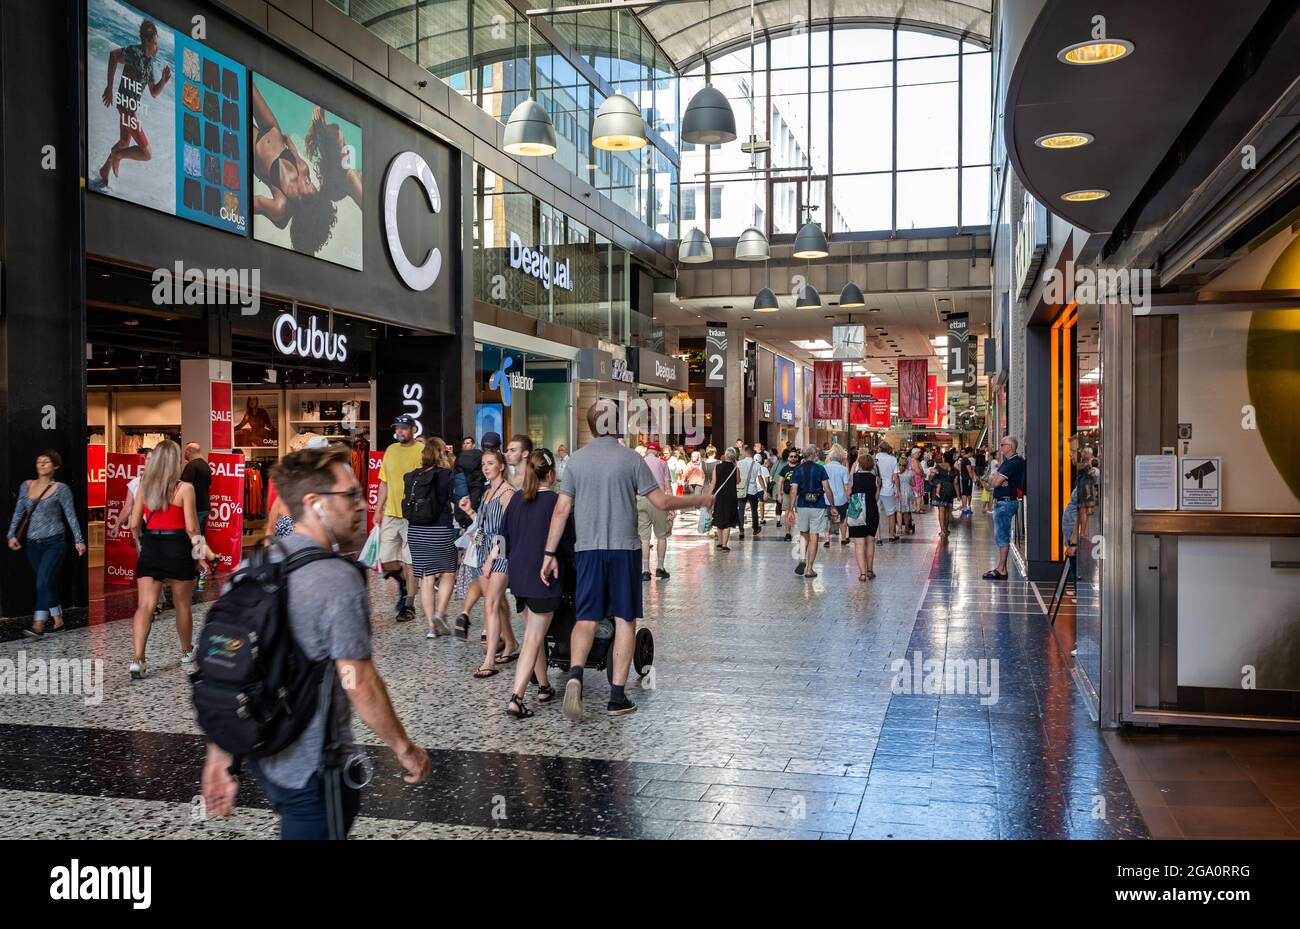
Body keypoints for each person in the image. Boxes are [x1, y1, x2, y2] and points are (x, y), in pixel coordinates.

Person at [200, 445, 432, 840]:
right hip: (315, 769)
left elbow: (232, 667)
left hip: (266, 759)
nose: (361, 505)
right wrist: (404, 747)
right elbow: (357, 679)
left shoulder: (251, 567)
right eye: (350, 495)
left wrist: (220, 756)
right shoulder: (336, 578)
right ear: (314, 503)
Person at [541, 400, 710, 721]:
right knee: (623, 621)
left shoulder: (576, 462)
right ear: (616, 424)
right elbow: (660, 501)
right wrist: (699, 499)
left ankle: (575, 674)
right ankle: (616, 698)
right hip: (624, 551)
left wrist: (549, 554)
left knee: (586, 618)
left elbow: (561, 511)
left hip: (587, 550)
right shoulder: (631, 459)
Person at [128, 439, 213, 680]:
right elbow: (192, 528)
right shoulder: (185, 488)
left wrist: (141, 545)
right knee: (183, 604)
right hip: (178, 547)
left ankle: (138, 659)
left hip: (152, 547)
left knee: (145, 606)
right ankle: (186, 652)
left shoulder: (144, 486)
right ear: (176, 462)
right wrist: (201, 556)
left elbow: (134, 525)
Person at [499, 449, 574, 719]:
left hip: (518, 575)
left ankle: (543, 686)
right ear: (552, 474)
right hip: (544, 576)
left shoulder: (517, 500)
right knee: (533, 637)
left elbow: (504, 536)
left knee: (534, 632)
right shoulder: (557, 502)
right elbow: (567, 542)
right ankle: (516, 697)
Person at [252, 81, 363, 257]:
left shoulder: (281, 205)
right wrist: (293, 147)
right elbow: (296, 154)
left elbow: (252, 203)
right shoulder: (304, 172)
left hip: (254, 146)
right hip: (272, 127)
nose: (308, 179)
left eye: (309, 186)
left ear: (304, 205)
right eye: (311, 183)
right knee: (246, 84)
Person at [7, 450, 86, 639]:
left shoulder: (61, 489)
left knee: (42, 580)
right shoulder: (26, 486)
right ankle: (58, 620)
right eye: (39, 461)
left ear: (55, 466)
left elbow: (70, 515)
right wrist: (11, 534)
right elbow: (19, 512)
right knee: (47, 582)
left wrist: (79, 540)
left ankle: (39, 624)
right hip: (32, 544)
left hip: (55, 542)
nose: (41, 464)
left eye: (46, 461)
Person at [456, 448, 520, 676]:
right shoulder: (487, 493)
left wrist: (492, 558)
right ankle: (511, 644)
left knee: (491, 604)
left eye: (490, 463)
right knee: (498, 603)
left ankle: (489, 660)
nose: (485, 467)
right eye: (484, 463)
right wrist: (470, 512)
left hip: (500, 555)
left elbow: (507, 532)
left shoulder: (507, 494)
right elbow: (483, 528)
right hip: (485, 553)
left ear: (501, 466)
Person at [93, 19, 172, 191]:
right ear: (147, 41)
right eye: (156, 43)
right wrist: (109, 87)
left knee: (123, 141)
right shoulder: (134, 52)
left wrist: (163, 82)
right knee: (147, 153)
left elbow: (153, 92)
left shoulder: (149, 63)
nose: (157, 47)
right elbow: (113, 56)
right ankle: (117, 156)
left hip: (130, 108)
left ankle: (105, 169)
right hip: (126, 108)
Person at [403, 437, 457, 639]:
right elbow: (455, 500)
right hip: (440, 530)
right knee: (448, 572)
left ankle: (431, 628)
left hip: (416, 531)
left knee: (426, 577)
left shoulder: (412, 476)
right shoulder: (446, 475)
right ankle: (440, 613)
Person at [373, 414, 425, 622]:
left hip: (413, 516)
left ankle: (409, 604)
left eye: (404, 427)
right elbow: (384, 482)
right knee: (386, 560)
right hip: (391, 514)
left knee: (410, 562)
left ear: (413, 429)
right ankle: (404, 585)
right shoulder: (391, 451)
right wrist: (378, 508)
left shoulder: (422, 451)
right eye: (398, 428)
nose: (400, 431)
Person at [786, 446, 837, 579]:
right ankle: (809, 569)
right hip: (818, 505)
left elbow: (793, 490)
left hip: (802, 505)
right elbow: (827, 489)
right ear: (814, 455)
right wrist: (832, 505)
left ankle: (802, 558)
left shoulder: (798, 469)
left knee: (803, 533)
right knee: (814, 535)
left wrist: (790, 509)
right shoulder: (820, 469)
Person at [984, 436, 1026, 580]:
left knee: (1002, 536)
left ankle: (1001, 569)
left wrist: (997, 479)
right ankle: (1001, 567)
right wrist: (997, 478)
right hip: (1007, 502)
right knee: (1002, 535)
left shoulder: (1011, 463)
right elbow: (993, 480)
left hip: (1005, 503)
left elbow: (994, 483)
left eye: (1003, 444)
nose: (1000, 447)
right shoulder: (1013, 462)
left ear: (1011, 447)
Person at [637, 441, 674, 581]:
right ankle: (660, 568)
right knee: (661, 536)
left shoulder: (639, 463)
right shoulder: (663, 463)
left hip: (641, 499)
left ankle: (645, 570)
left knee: (644, 538)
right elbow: (667, 486)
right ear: (658, 452)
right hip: (658, 500)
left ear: (647, 451)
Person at [182, 442, 214, 587]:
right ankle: (203, 565)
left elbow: (183, 488)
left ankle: (200, 568)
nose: (184, 455)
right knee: (199, 537)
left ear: (189, 451)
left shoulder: (191, 466)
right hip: (205, 506)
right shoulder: (205, 465)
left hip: (195, 508)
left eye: (185, 452)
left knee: (194, 539)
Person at [848, 452, 881, 581]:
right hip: (872, 509)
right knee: (870, 541)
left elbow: (848, 494)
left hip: (857, 509)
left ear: (859, 464)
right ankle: (870, 570)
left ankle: (862, 574)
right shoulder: (876, 479)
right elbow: (876, 497)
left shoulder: (853, 478)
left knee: (859, 543)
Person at [708, 448, 741, 550]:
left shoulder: (717, 467)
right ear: (734, 457)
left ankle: (719, 542)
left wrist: (708, 496)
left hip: (719, 496)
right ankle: (725, 545)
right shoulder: (736, 469)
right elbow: (738, 481)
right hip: (731, 497)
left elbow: (713, 483)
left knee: (719, 517)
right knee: (728, 519)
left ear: (725, 456)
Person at [736, 445, 767, 537]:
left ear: (745, 453)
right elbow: (760, 478)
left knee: (741, 510)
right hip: (753, 490)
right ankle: (755, 529)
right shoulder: (757, 464)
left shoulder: (739, 463)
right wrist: (765, 490)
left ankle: (741, 530)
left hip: (741, 490)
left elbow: (737, 477)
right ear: (752, 454)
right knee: (754, 510)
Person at [823, 445, 851, 548]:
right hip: (841, 499)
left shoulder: (824, 468)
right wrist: (848, 497)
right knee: (842, 520)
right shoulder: (843, 469)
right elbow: (846, 485)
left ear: (830, 458)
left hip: (827, 498)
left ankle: (827, 540)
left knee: (827, 519)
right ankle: (843, 539)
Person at [874, 441, 901, 543]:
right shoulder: (893, 459)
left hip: (876, 489)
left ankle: (878, 537)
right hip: (888, 489)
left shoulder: (874, 458)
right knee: (891, 513)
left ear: (879, 448)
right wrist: (898, 491)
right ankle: (891, 535)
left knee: (876, 513)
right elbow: (896, 477)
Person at [930, 450, 959, 539]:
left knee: (941, 510)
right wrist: (958, 494)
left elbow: (930, 478)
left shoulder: (938, 467)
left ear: (944, 457)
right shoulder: (955, 469)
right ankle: (946, 529)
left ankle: (942, 531)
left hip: (941, 489)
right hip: (949, 490)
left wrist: (932, 474)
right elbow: (956, 483)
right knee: (947, 510)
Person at [775, 448, 800, 541]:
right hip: (786, 493)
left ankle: (799, 533)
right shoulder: (784, 468)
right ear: (788, 458)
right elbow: (780, 481)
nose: (793, 458)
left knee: (799, 513)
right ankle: (788, 533)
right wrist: (779, 494)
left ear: (797, 458)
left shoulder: (800, 468)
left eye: (795, 456)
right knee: (787, 513)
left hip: (798, 494)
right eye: (791, 456)